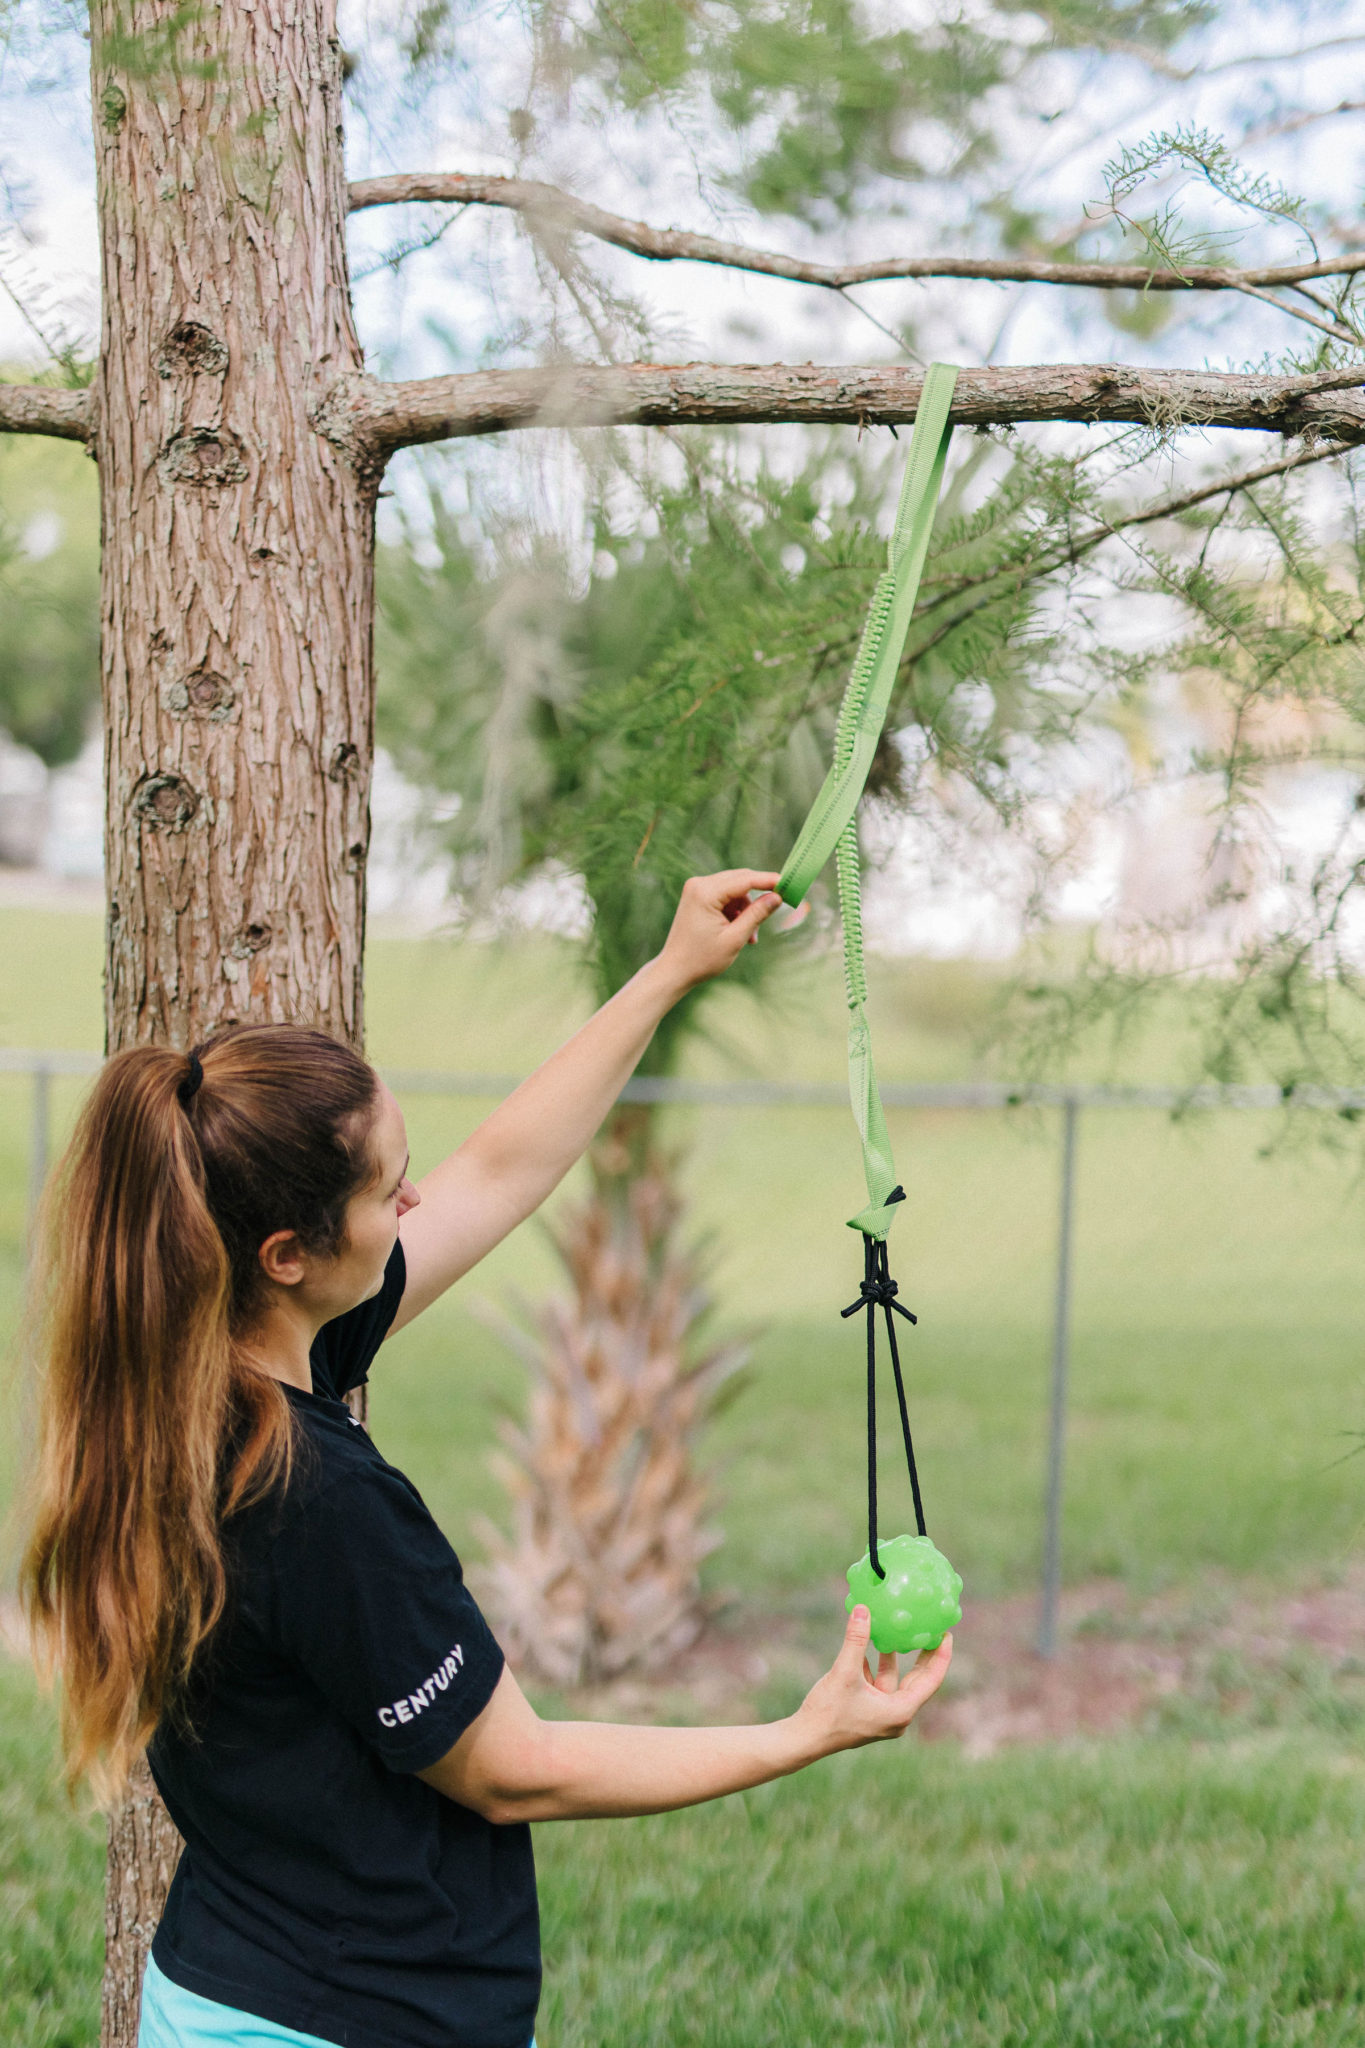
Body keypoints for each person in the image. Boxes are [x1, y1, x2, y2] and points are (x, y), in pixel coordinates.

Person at [22, 869, 952, 2048]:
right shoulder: (318, 1500)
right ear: (286, 1252)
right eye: (381, 1188)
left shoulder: (183, 1383)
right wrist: (807, 1729)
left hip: (222, 1988)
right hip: (340, 2020)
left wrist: (665, 973)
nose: (412, 1194)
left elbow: (502, 1169)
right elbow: (516, 1767)